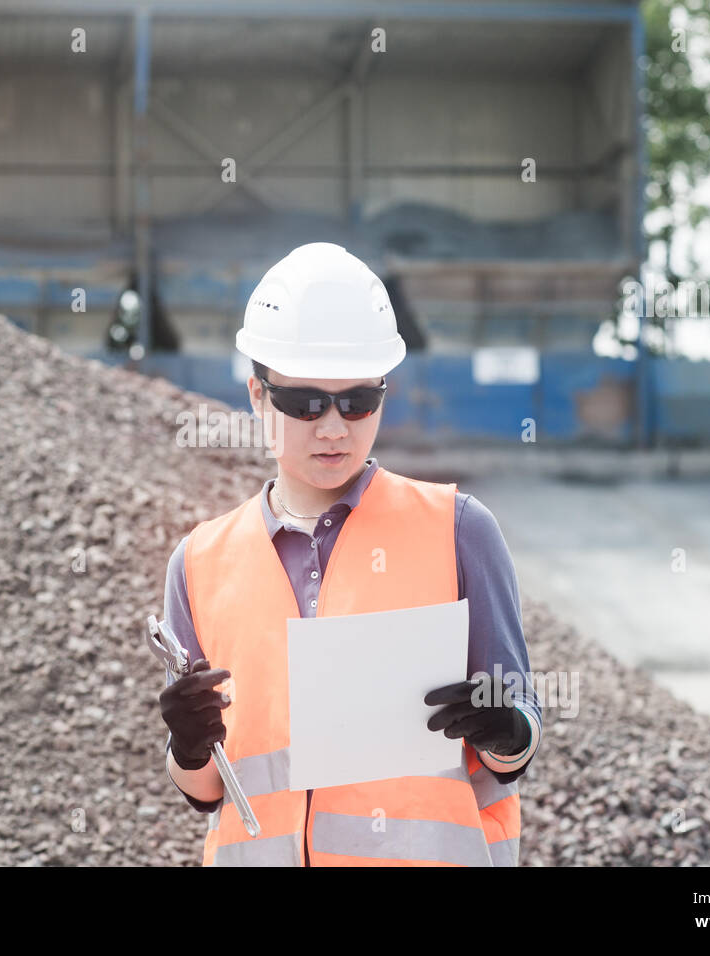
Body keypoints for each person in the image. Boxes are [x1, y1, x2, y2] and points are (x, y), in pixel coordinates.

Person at [158, 242, 541, 866]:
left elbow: (513, 748)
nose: (334, 428)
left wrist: (507, 726)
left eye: (358, 400)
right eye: (305, 404)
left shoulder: (459, 530)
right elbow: (206, 796)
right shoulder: (200, 563)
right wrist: (188, 745)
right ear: (257, 395)